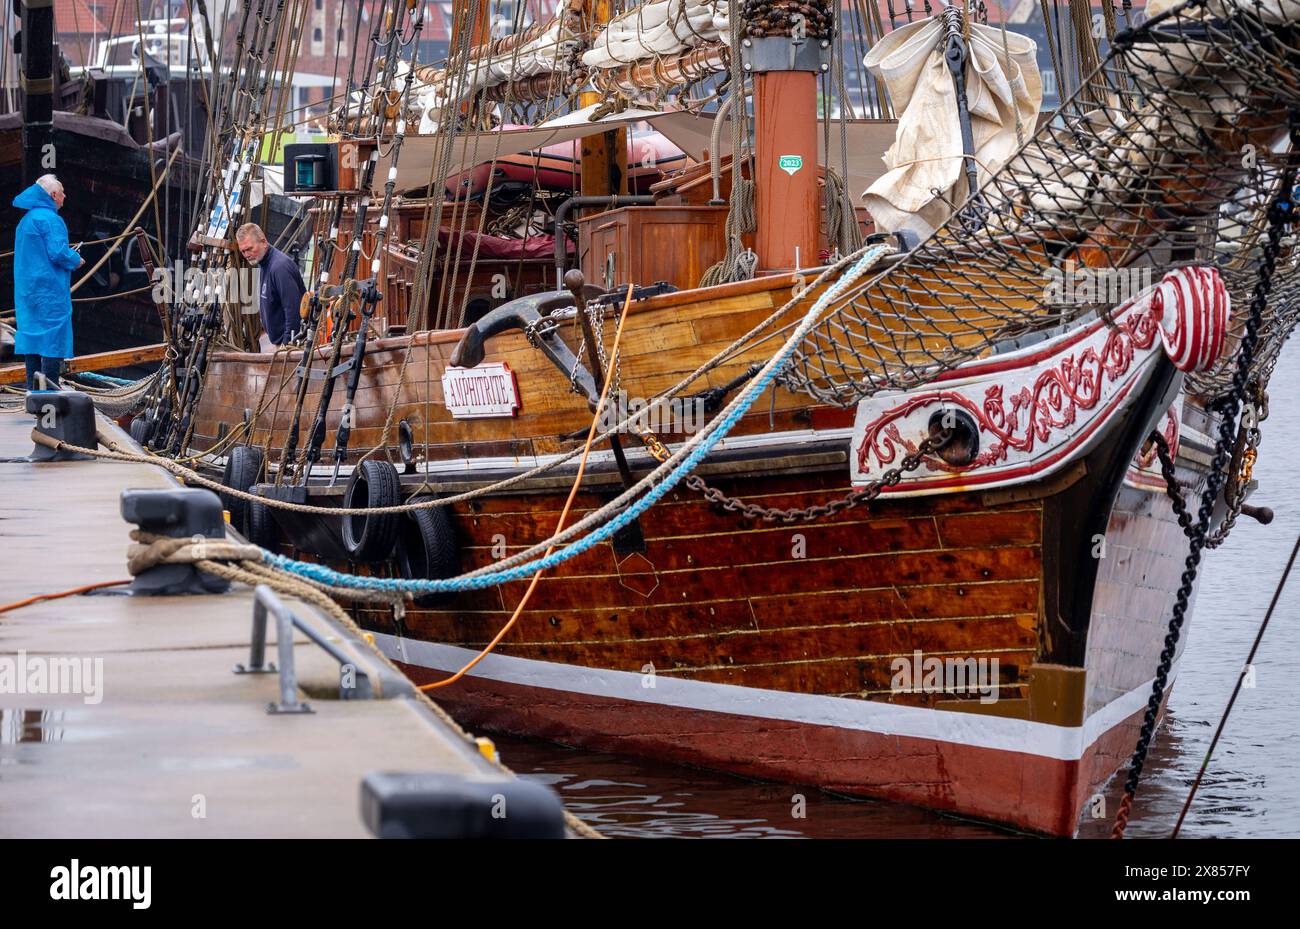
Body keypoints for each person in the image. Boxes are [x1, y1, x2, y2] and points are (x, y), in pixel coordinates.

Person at [12, 174, 84, 390]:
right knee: (52, 341)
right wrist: (76, 259)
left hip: (27, 293)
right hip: (49, 293)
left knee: (32, 341)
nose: (65, 196)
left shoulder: (25, 220)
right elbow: (57, 253)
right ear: (53, 195)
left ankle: (34, 393)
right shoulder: (52, 219)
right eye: (62, 192)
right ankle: (50, 395)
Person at [235, 222, 306, 347]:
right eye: (243, 251)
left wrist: (287, 345)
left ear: (263, 242)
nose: (246, 255)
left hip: (289, 346)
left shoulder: (279, 267)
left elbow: (293, 311)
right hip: (278, 342)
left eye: (249, 249)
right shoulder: (264, 263)